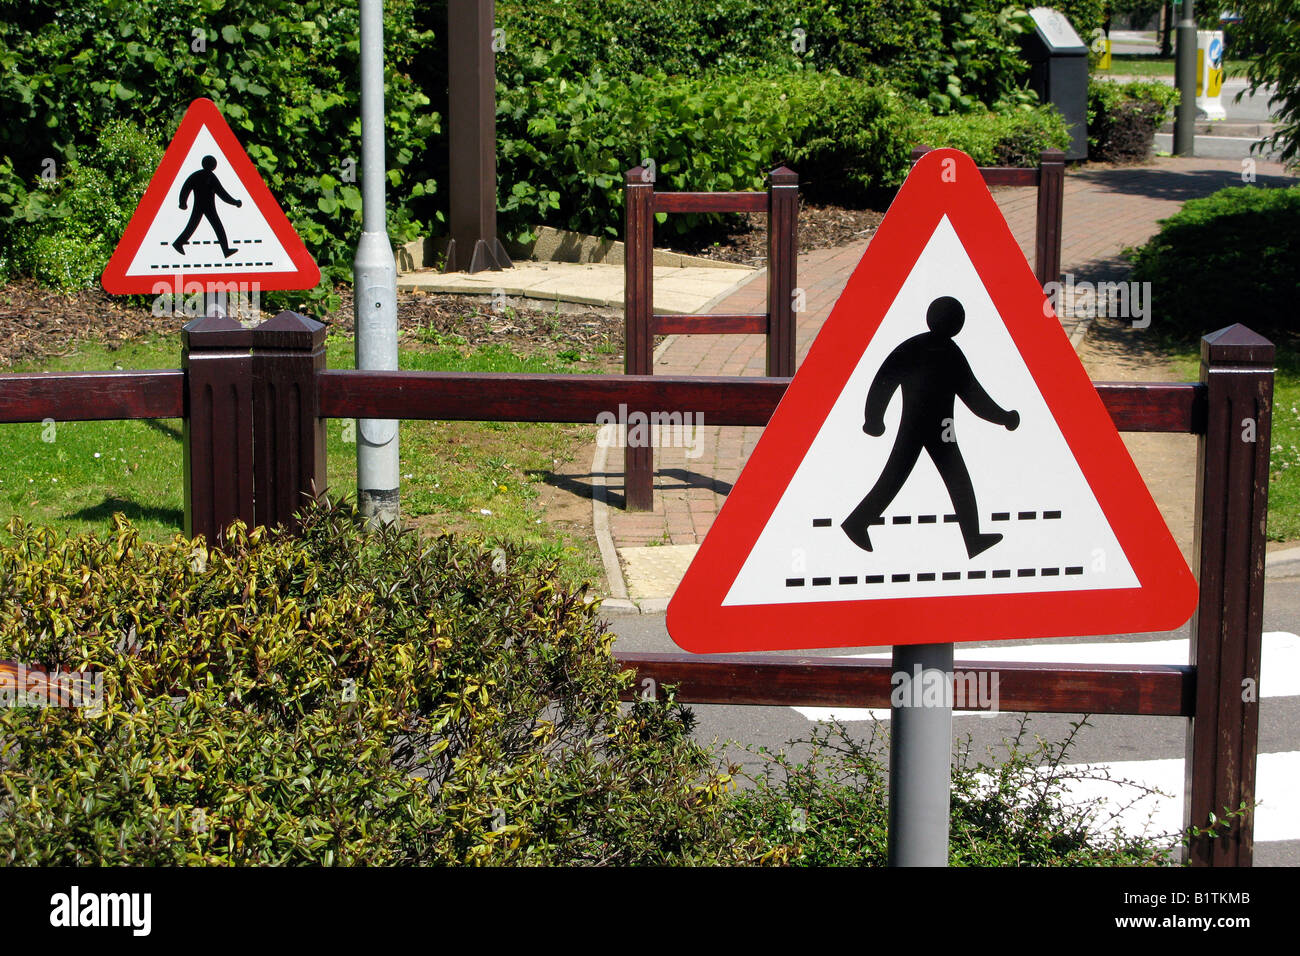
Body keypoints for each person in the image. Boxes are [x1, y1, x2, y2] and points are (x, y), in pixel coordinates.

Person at [842, 295, 1019, 558]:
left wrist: (874, 419)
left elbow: (885, 380)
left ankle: (859, 522)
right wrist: (1004, 417)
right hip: (936, 428)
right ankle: (858, 523)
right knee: (942, 478)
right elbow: (975, 397)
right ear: (957, 323)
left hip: (925, 426)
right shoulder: (949, 353)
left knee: (907, 477)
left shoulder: (915, 347)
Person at [172, 155, 242, 258]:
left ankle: (179, 243)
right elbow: (222, 194)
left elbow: (186, 187)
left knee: (194, 226)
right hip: (206, 206)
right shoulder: (210, 177)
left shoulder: (198, 175)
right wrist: (235, 202)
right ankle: (225, 250)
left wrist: (183, 202)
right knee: (215, 226)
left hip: (203, 206)